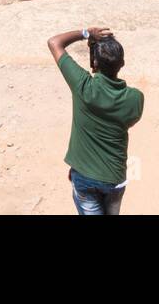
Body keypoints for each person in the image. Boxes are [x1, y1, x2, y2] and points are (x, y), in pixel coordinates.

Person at [48, 26, 144, 215]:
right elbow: (128, 122)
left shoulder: (83, 86)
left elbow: (54, 42)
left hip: (84, 175)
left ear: (94, 62)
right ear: (122, 63)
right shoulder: (135, 98)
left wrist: (86, 33)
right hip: (115, 177)